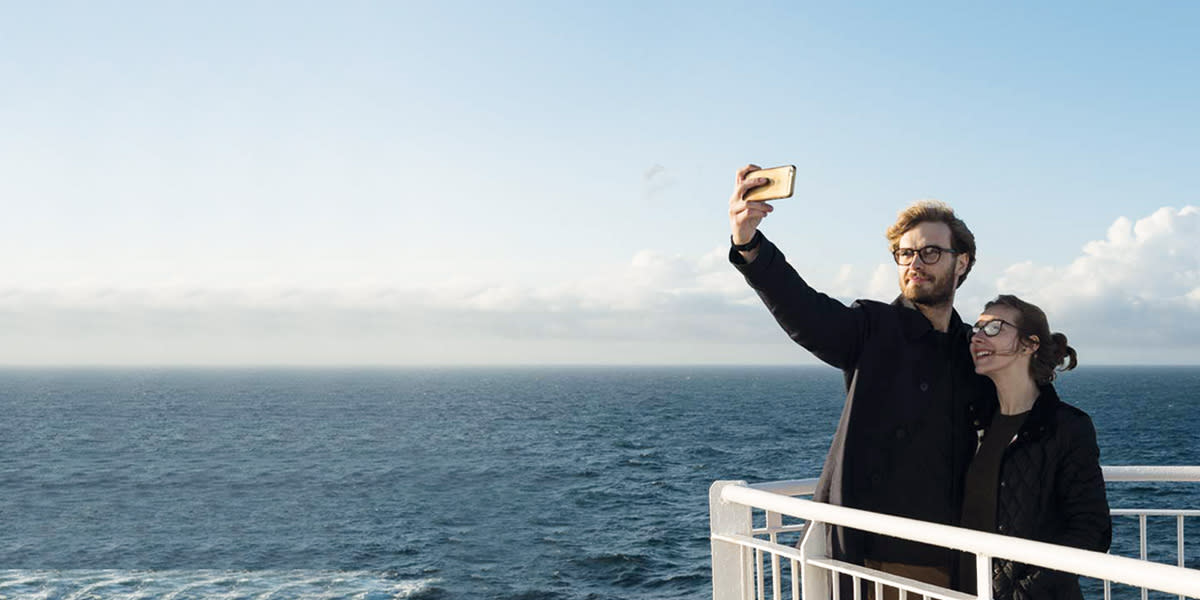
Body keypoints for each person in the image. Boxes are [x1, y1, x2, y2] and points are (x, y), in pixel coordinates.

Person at [727, 164, 995, 593]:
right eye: (905, 254)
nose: (914, 263)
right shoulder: (873, 325)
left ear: (961, 263)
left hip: (954, 552)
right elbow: (804, 310)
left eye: (929, 252)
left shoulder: (973, 349)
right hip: (867, 553)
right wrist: (749, 243)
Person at [961, 295, 1111, 599]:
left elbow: (1092, 530)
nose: (977, 337)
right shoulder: (972, 423)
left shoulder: (1067, 427)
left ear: (1030, 345)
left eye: (993, 329)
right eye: (976, 329)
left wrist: (1023, 591)